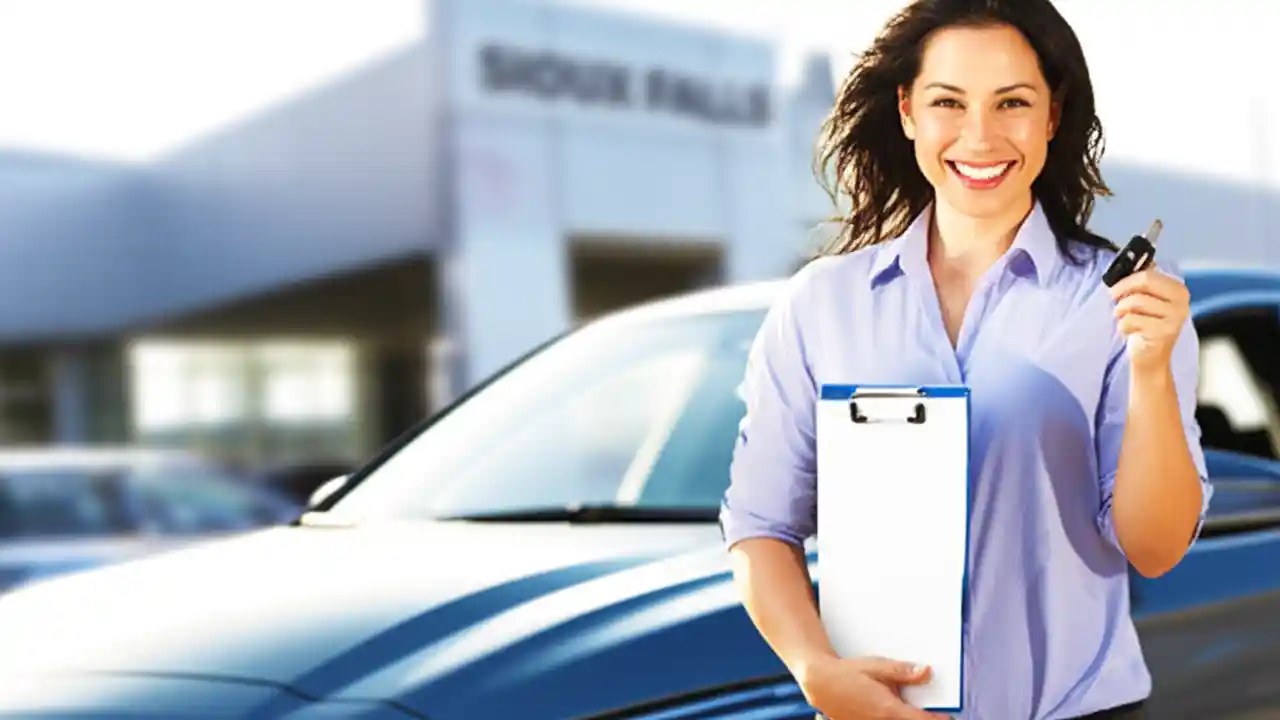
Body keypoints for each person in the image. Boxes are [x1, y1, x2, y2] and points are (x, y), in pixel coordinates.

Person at [718, 1, 1213, 718]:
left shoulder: (1121, 307)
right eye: (948, 101)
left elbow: (1156, 548)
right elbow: (761, 522)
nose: (980, 137)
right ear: (907, 110)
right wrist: (813, 666)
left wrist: (1149, 371)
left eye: (1012, 102)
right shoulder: (821, 306)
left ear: (1052, 114)